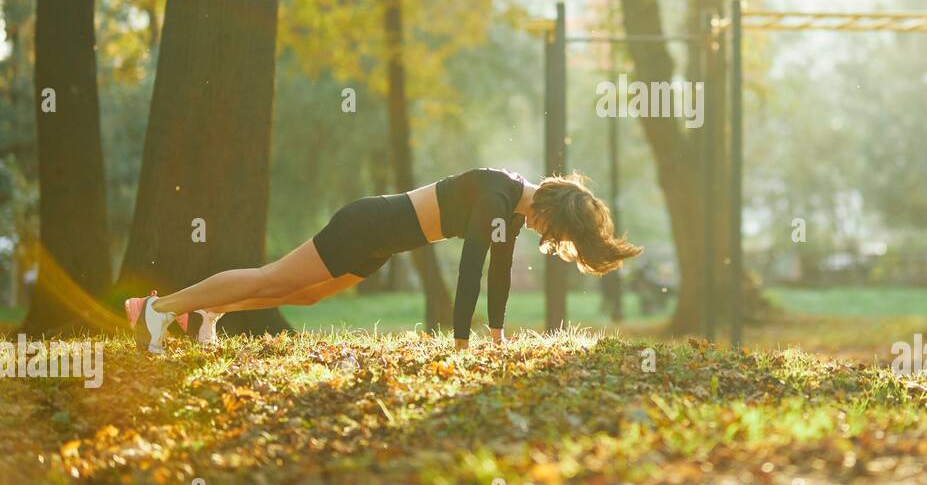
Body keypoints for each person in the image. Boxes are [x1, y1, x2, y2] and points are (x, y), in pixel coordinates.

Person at [124, 169, 640, 354]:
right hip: (366, 225)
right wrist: (463, 345)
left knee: (300, 295)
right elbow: (470, 271)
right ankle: (161, 309)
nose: (549, 238)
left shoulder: (511, 205)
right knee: (274, 278)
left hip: (382, 244)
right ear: (551, 208)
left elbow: (499, 275)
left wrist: (497, 338)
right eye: (558, 230)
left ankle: (212, 312)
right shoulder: (496, 199)